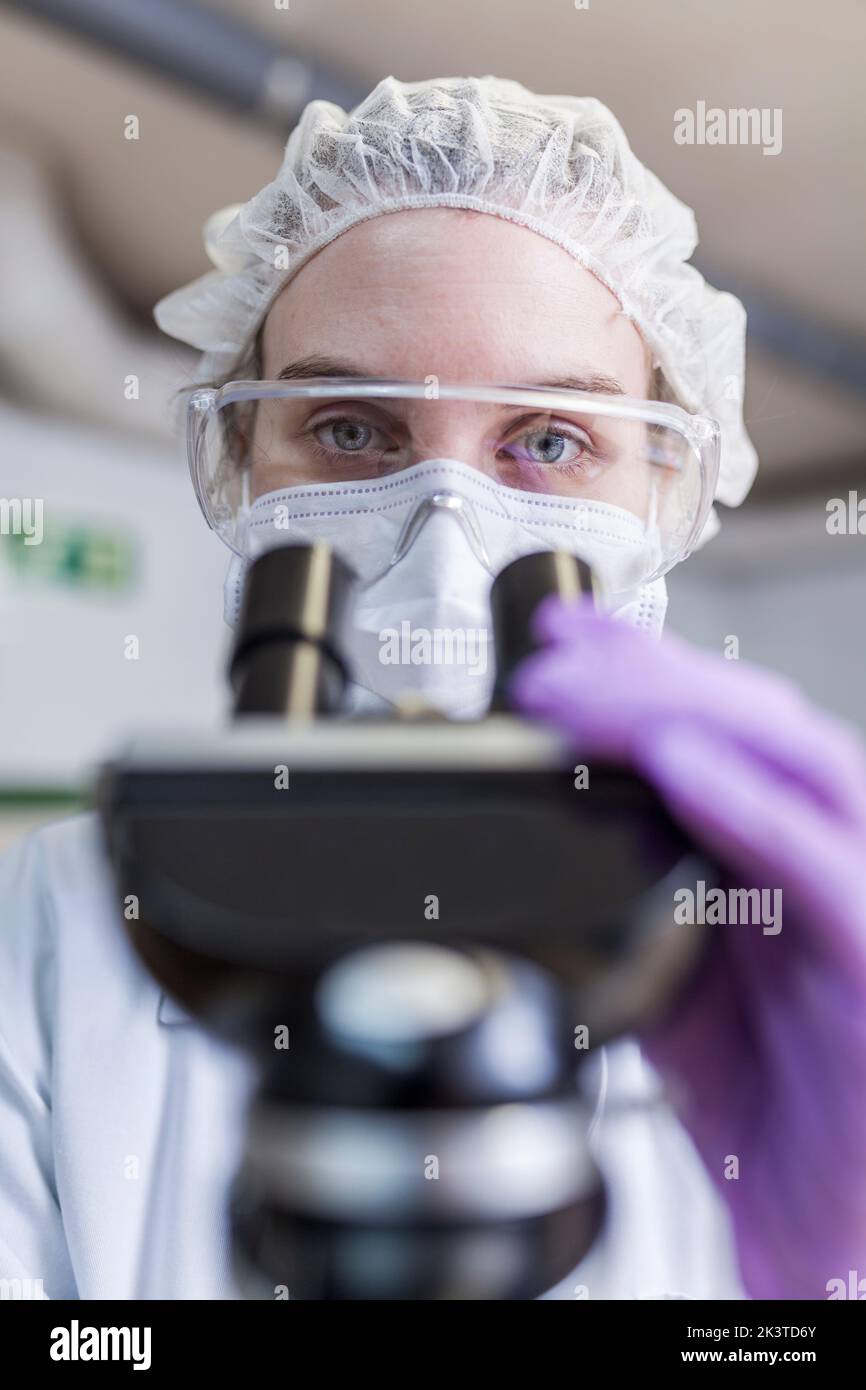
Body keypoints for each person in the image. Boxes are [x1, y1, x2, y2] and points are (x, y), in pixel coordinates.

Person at [1, 75, 863, 1301]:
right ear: (242, 467)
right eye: (351, 429)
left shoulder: (771, 954)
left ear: (668, 497)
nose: (445, 535)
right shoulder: (65, 914)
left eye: (550, 440)